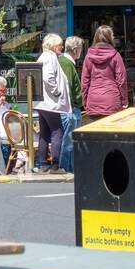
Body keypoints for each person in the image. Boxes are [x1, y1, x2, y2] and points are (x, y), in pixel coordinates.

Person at [35, 33, 72, 174]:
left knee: (44, 133)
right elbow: (48, 77)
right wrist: (56, 92)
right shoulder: (49, 57)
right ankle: (55, 165)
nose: (61, 47)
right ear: (52, 45)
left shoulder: (45, 56)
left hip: (43, 103)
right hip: (50, 102)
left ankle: (43, 165)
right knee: (58, 131)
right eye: (59, 44)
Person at [81, 25, 129, 123]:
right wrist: (124, 101)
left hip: (93, 100)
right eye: (112, 35)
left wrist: (85, 101)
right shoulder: (115, 55)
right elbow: (121, 80)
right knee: (111, 135)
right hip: (112, 101)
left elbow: (84, 81)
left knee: (95, 136)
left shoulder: (88, 56)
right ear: (109, 37)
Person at [58, 36, 85, 172]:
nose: (81, 52)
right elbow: (67, 86)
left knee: (69, 140)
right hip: (70, 108)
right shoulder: (67, 63)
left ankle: (69, 168)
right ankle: (66, 168)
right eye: (80, 49)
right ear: (75, 50)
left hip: (69, 107)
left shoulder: (65, 62)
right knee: (69, 140)